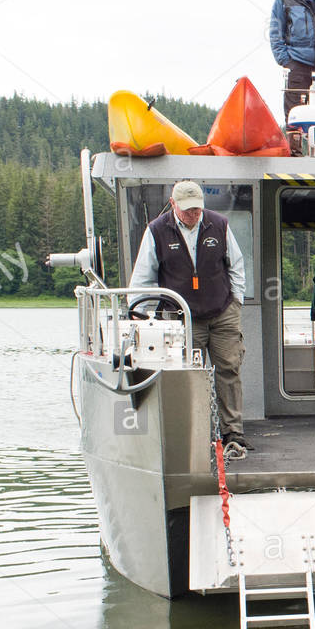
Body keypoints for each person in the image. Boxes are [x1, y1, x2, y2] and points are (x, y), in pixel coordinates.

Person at [129, 181, 249, 457]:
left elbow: (236, 264)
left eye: (197, 209)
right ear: (173, 205)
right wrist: (140, 314)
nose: (193, 214)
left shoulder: (219, 225)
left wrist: (237, 300)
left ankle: (234, 433)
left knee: (229, 368)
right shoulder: (156, 231)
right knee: (188, 374)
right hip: (181, 318)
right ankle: (195, 432)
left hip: (222, 312)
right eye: (187, 210)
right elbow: (144, 277)